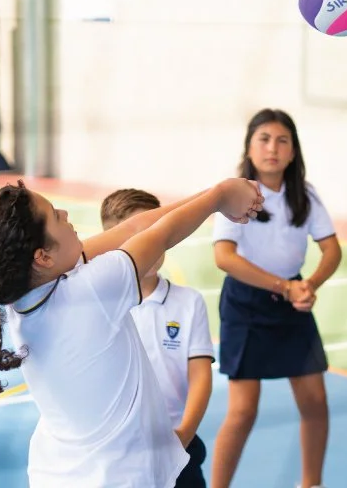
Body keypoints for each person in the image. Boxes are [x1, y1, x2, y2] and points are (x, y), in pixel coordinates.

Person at [0, 178, 263, 488]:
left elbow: (133, 229)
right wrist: (219, 197)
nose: (66, 214)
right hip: (117, 478)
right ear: (43, 256)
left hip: (61, 474)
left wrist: (218, 195)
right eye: (56, 215)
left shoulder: (25, 294)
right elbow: (156, 234)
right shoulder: (91, 291)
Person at [210, 109, 343, 488]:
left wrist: (309, 285)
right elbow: (224, 257)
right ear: (249, 148)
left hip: (292, 306)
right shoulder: (235, 194)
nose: (273, 148)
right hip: (246, 306)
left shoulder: (306, 195)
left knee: (315, 402)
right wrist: (284, 287)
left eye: (282, 140)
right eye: (264, 139)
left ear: (293, 151)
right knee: (243, 412)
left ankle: (311, 483)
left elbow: (332, 250)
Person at [100, 187, 215, 488]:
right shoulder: (101, 305)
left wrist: (185, 434)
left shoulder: (188, 302)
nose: (149, 245)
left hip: (176, 443)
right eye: (138, 237)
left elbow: (200, 376)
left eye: (155, 233)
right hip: (118, 452)